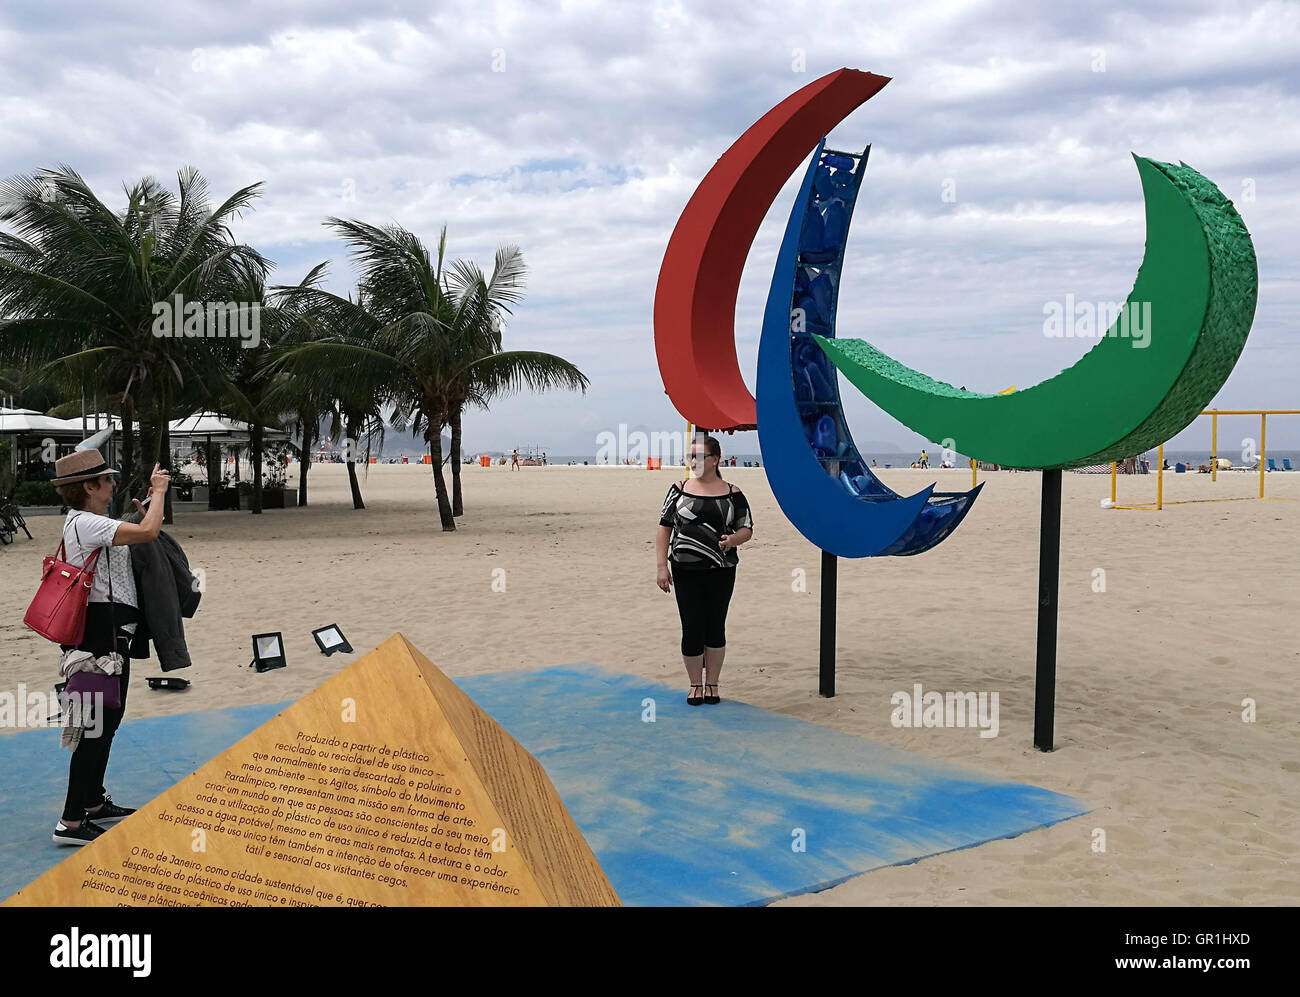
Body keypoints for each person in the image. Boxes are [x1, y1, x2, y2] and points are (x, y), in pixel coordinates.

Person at [48, 450, 170, 845]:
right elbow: (149, 533)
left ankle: (93, 802)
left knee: (108, 722)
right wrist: (161, 492)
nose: (113, 484)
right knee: (95, 727)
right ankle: (69, 821)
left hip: (112, 633)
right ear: (88, 487)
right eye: (106, 479)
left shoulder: (93, 523)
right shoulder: (84, 523)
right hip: (97, 637)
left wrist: (146, 510)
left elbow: (134, 533)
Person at [655, 435, 753, 706]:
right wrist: (662, 566)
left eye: (698, 456)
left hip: (721, 569)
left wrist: (733, 540)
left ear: (715, 460)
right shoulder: (679, 489)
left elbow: (747, 528)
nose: (693, 461)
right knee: (691, 626)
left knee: (715, 626)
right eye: (690, 457)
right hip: (685, 569)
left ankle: (713, 684)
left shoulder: (733, 493)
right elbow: (664, 527)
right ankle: (695, 684)